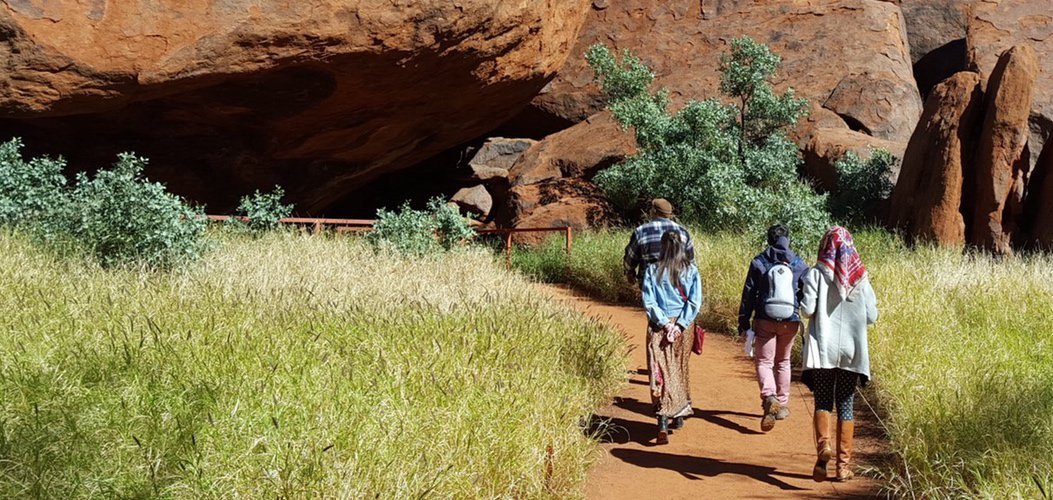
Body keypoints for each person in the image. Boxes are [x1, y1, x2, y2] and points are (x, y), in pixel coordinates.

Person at [799, 226, 878, 482]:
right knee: (846, 405)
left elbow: (808, 309)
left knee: (823, 401)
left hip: (824, 349)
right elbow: (871, 316)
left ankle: (824, 448)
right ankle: (843, 467)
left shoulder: (816, 274)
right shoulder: (861, 278)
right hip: (852, 352)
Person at [737, 224, 808, 432]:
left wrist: (743, 322)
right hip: (790, 320)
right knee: (783, 362)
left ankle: (769, 396)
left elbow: (748, 294)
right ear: (788, 240)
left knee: (764, 361)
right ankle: (782, 404)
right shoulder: (799, 263)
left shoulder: (759, 261)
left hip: (765, 319)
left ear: (769, 240)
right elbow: (805, 293)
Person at [640, 230, 703, 445]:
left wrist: (666, 324)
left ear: (663, 247)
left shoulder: (652, 271)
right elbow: (694, 302)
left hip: (659, 326)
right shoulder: (691, 270)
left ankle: (663, 419)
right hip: (683, 328)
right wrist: (680, 325)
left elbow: (649, 302)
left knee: (660, 370)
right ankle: (679, 411)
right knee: (680, 367)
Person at [624, 198, 695, 286]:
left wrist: (629, 272)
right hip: (677, 282)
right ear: (669, 215)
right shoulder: (683, 232)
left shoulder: (641, 231)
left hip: (650, 283)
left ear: (654, 211)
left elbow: (631, 257)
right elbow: (690, 261)